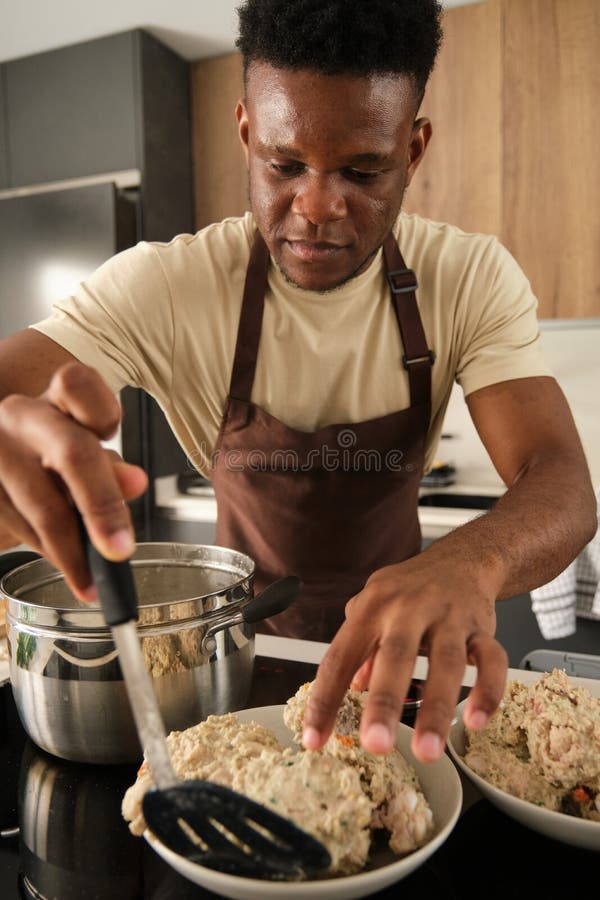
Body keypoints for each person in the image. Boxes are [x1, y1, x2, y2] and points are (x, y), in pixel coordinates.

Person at [0, 0, 596, 764]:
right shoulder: (168, 286)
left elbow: (563, 485)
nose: (316, 208)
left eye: (362, 170)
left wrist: (469, 561)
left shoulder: (469, 278)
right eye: (284, 166)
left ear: (413, 151)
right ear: (247, 133)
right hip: (230, 671)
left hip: (398, 670)